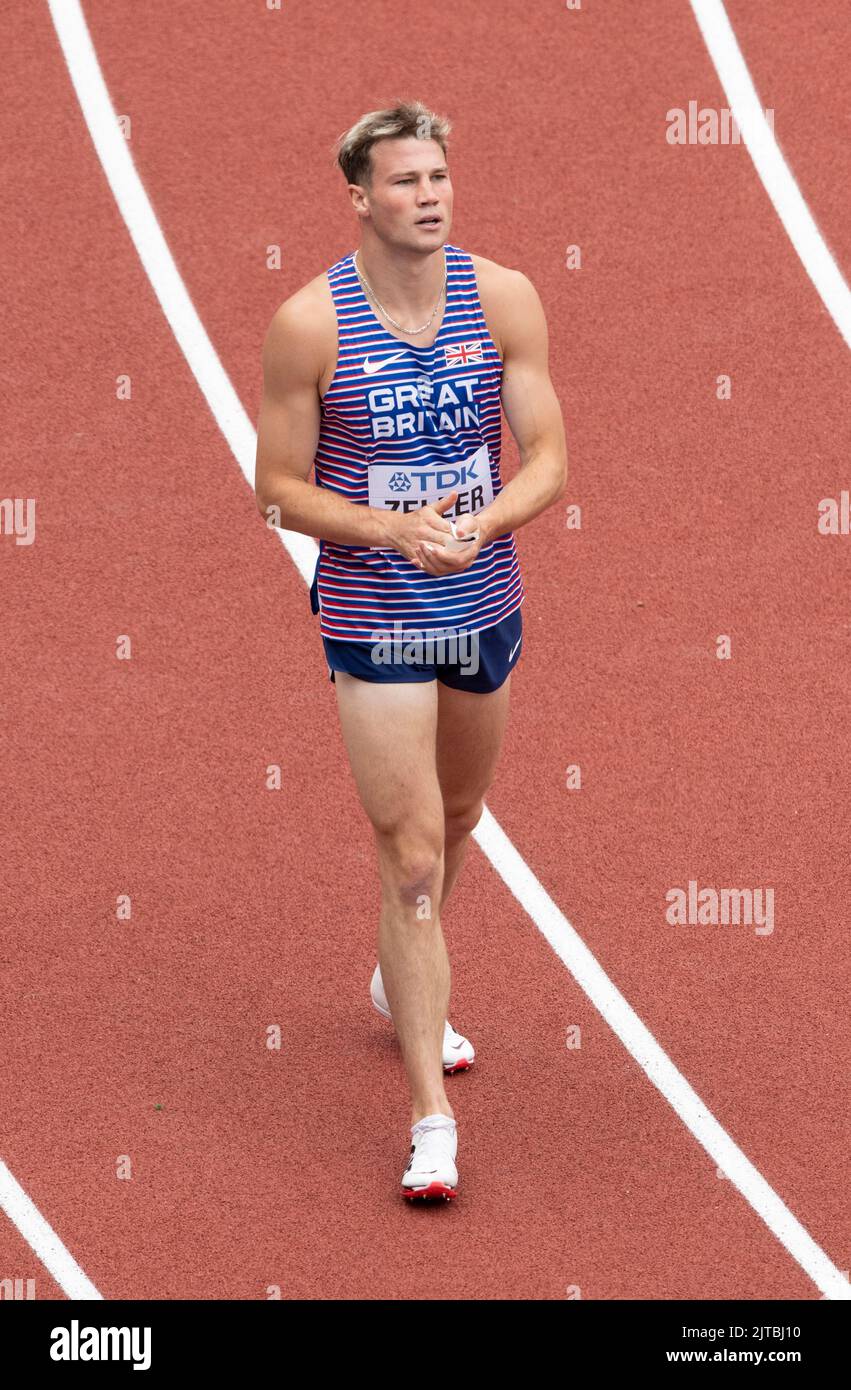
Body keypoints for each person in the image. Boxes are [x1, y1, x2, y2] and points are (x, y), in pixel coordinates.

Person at [254, 101, 567, 1201]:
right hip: (374, 617)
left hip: (480, 597)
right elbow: (277, 490)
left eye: (437, 175)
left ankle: (398, 981)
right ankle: (429, 1116)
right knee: (415, 857)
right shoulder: (311, 326)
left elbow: (548, 458)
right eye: (403, 181)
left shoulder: (502, 298)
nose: (428, 196)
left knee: (464, 814)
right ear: (358, 195)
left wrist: (480, 525)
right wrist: (393, 529)